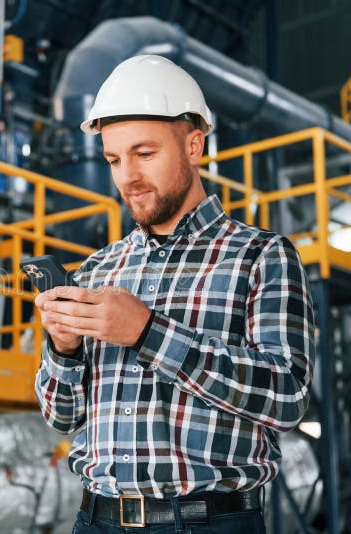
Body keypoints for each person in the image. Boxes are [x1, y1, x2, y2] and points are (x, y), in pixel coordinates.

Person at [33, 55, 316, 533]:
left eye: (144, 154)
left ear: (193, 145)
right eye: (114, 160)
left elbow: (286, 398)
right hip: (96, 520)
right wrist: (64, 349)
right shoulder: (99, 268)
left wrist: (148, 332)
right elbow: (63, 419)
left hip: (207, 523)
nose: (127, 176)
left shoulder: (260, 256)